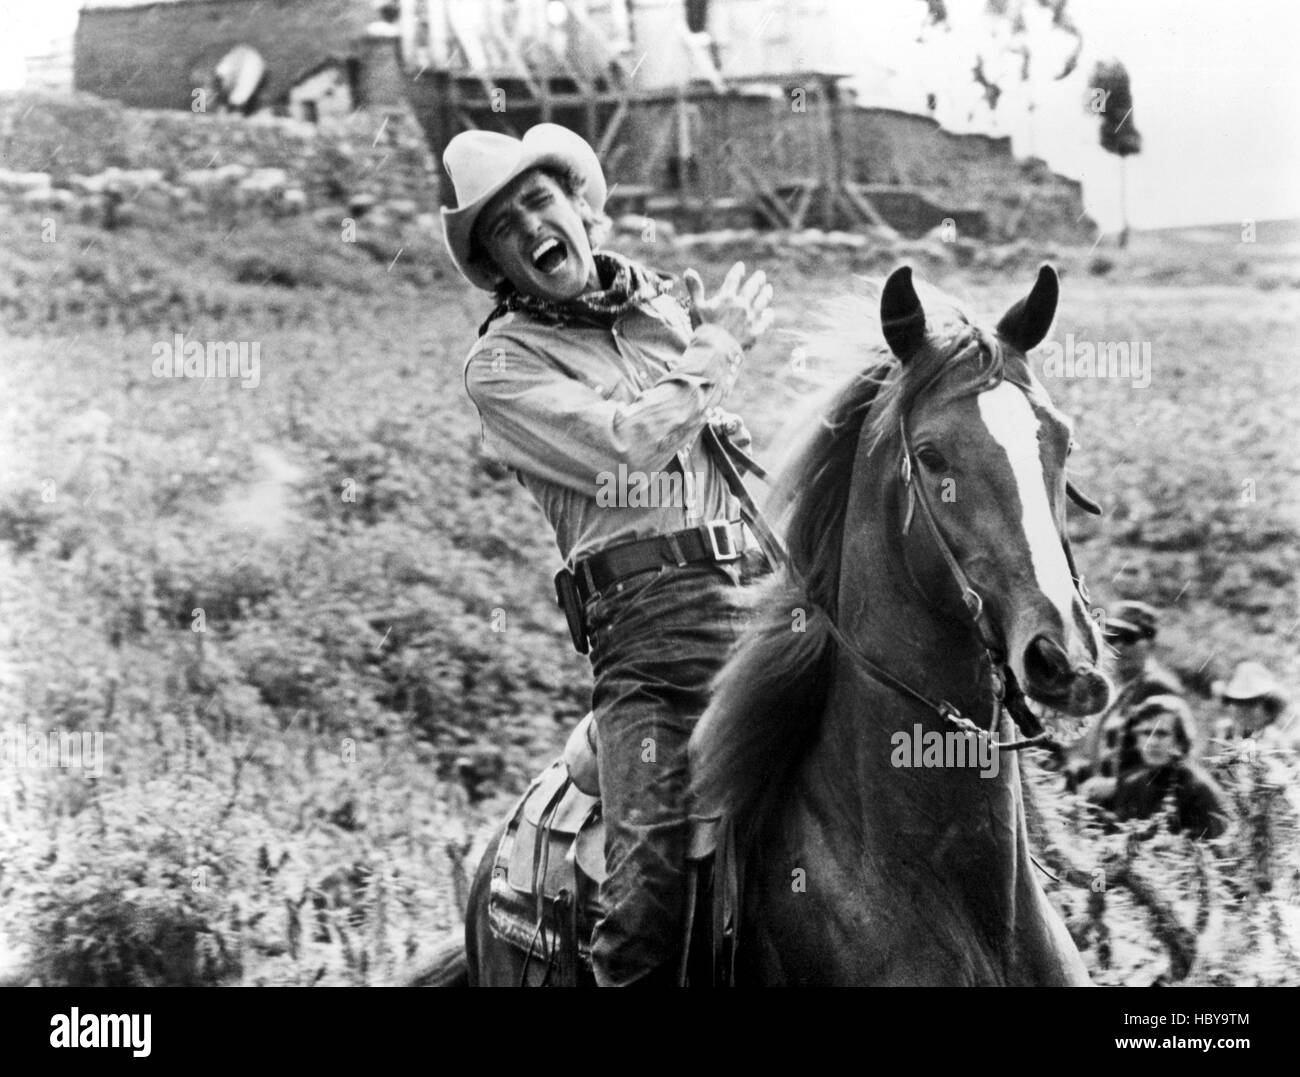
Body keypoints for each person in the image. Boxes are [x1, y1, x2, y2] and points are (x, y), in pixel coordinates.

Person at [442, 123, 774, 986]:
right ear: (499, 268)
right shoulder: (502, 365)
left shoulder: (663, 311)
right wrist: (715, 352)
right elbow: (626, 447)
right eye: (502, 228)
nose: (528, 228)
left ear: (582, 208)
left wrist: (711, 393)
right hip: (651, 640)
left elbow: (706, 444)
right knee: (650, 891)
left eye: (537, 201)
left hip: (763, 600)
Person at [1063, 600, 1184, 790]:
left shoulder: (1158, 689)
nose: (1119, 645)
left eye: (1129, 637)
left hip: (1141, 806)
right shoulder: (1122, 689)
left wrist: (1116, 787)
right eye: (1112, 637)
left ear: (1150, 644)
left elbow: (1168, 765)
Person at [1081, 695, 1231, 840]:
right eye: (1146, 733)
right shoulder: (1132, 784)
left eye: (1161, 734)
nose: (1152, 743)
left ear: (1179, 741)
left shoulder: (1197, 789)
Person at [1212, 660, 1297, 750]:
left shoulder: (1277, 740)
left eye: (1250, 703)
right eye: (1238, 702)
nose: (1242, 710)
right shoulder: (1225, 732)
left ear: (1267, 710)